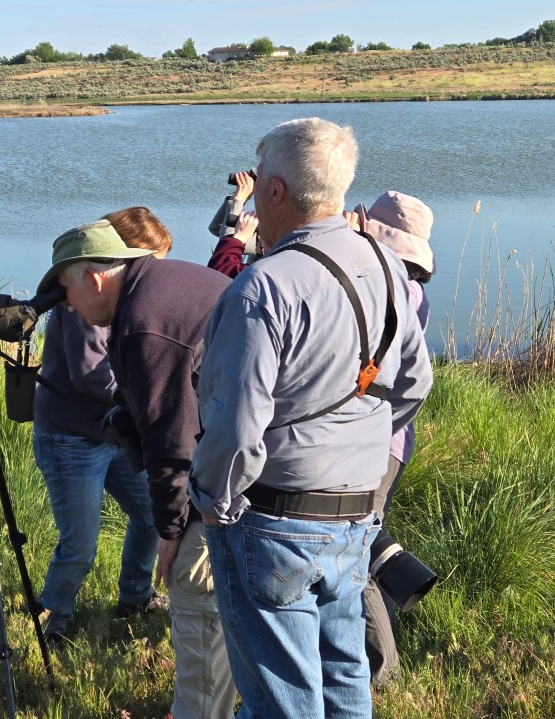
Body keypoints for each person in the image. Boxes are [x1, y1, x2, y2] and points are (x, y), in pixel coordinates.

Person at [189, 117, 434, 719]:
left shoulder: (261, 287)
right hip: (355, 514)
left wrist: (211, 503)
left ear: (274, 192)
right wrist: (356, 447)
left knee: (282, 701)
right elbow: (413, 386)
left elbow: (234, 427)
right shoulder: (387, 268)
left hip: (272, 520)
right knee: (344, 677)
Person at [38, 219, 237, 719]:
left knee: (194, 591)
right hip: (80, 437)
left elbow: (171, 438)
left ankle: (199, 701)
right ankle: (53, 619)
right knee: (81, 540)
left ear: (95, 278)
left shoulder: (144, 319)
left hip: (235, 461)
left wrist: (174, 528)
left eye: (65, 291)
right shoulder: (163, 287)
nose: (64, 305)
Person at [32, 206, 171, 647]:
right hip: (70, 438)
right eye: (151, 262)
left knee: (151, 514)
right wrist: (149, 388)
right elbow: (90, 374)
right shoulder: (84, 302)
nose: (155, 276)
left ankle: (135, 596)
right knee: (80, 544)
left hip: (114, 433)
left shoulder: (127, 299)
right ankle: (52, 623)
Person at [358, 191, 436, 686]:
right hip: (393, 439)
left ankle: (380, 670)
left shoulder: (387, 291)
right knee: (366, 537)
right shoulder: (412, 290)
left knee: (357, 548)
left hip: (372, 442)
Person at [208, 170, 261, 278]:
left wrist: (238, 201)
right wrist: (238, 198)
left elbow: (223, 267)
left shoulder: (276, 235)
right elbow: (217, 228)